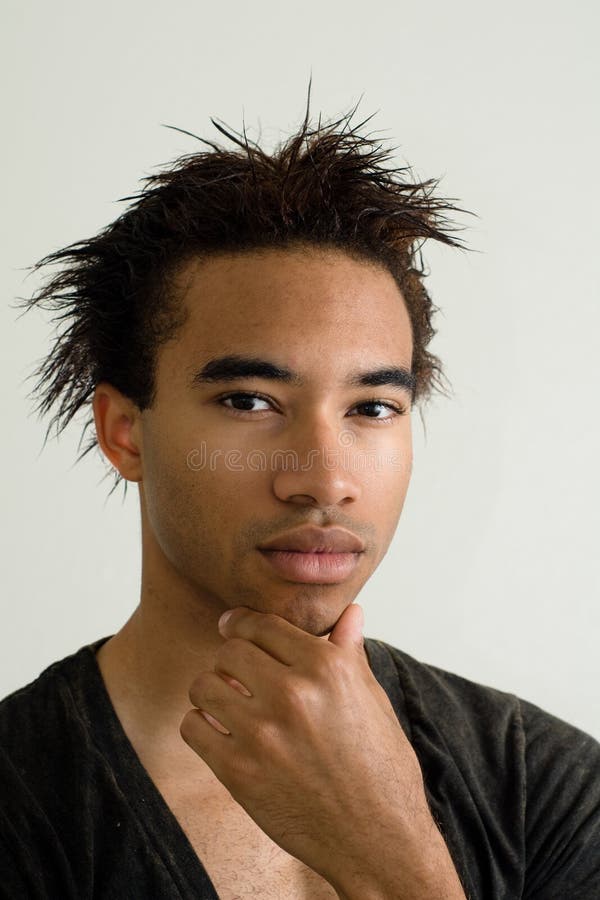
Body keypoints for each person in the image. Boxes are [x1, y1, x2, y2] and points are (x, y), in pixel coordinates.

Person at [2, 92, 600, 900]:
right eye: (250, 401)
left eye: (372, 409)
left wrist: (394, 861)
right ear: (124, 431)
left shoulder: (544, 786)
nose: (325, 478)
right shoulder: (25, 800)